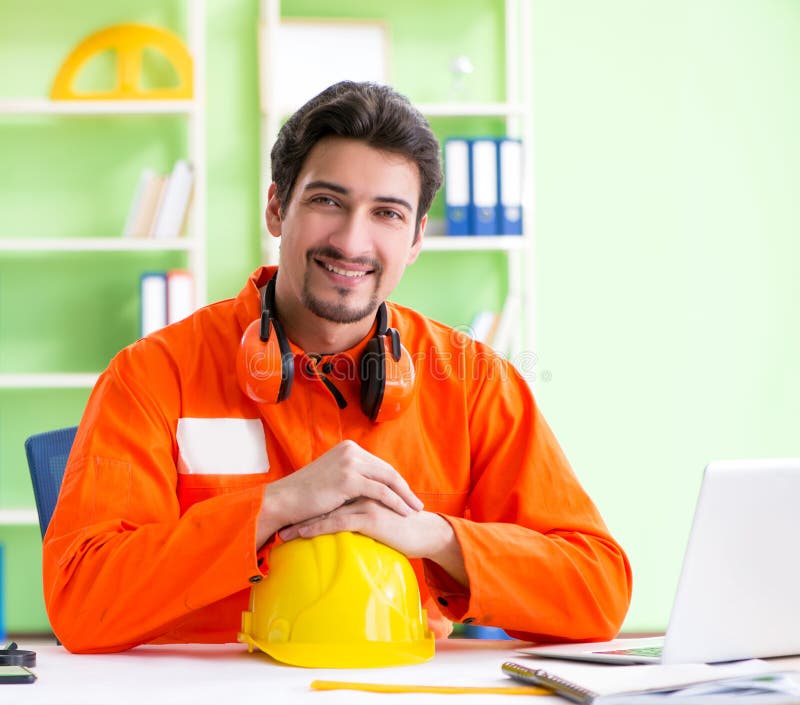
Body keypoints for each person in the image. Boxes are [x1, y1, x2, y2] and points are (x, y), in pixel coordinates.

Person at [42, 81, 632, 653]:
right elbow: (81, 598)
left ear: (417, 239)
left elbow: (598, 591)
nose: (352, 242)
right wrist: (272, 507)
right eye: (328, 201)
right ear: (277, 208)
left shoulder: (474, 382)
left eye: (387, 213)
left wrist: (437, 538)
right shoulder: (152, 374)